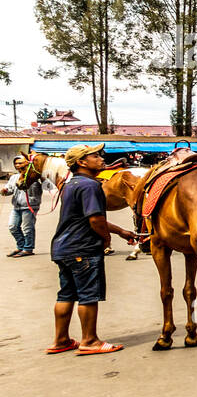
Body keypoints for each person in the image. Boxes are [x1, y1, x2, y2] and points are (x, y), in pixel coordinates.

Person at [46, 144, 138, 356]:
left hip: (63, 247)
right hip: (83, 248)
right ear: (81, 162)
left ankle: (61, 340)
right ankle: (90, 340)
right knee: (88, 295)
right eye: (95, 156)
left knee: (66, 295)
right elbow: (95, 219)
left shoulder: (71, 184)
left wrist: (121, 231)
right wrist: (106, 239)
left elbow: (83, 218)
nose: (101, 159)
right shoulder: (91, 186)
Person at [3, 154, 41, 257]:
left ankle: (28, 248)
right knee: (13, 226)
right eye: (16, 163)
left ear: (27, 163)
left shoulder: (35, 175)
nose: (18, 165)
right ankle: (21, 246)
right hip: (16, 206)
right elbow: (9, 189)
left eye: (20, 163)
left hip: (29, 206)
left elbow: (48, 186)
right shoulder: (14, 177)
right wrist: (4, 191)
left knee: (27, 228)